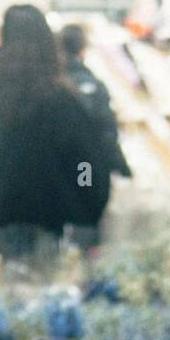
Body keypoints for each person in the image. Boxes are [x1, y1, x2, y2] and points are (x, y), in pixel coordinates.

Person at [0, 5, 118, 260]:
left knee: (15, 293)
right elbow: (86, 162)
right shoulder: (62, 102)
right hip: (57, 223)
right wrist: (87, 200)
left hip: (4, 223)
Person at [58, 23, 131, 248]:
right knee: (87, 220)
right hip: (88, 166)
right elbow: (107, 130)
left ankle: (69, 264)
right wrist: (121, 166)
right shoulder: (94, 85)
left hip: (62, 169)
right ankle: (86, 266)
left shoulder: (55, 85)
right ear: (83, 49)